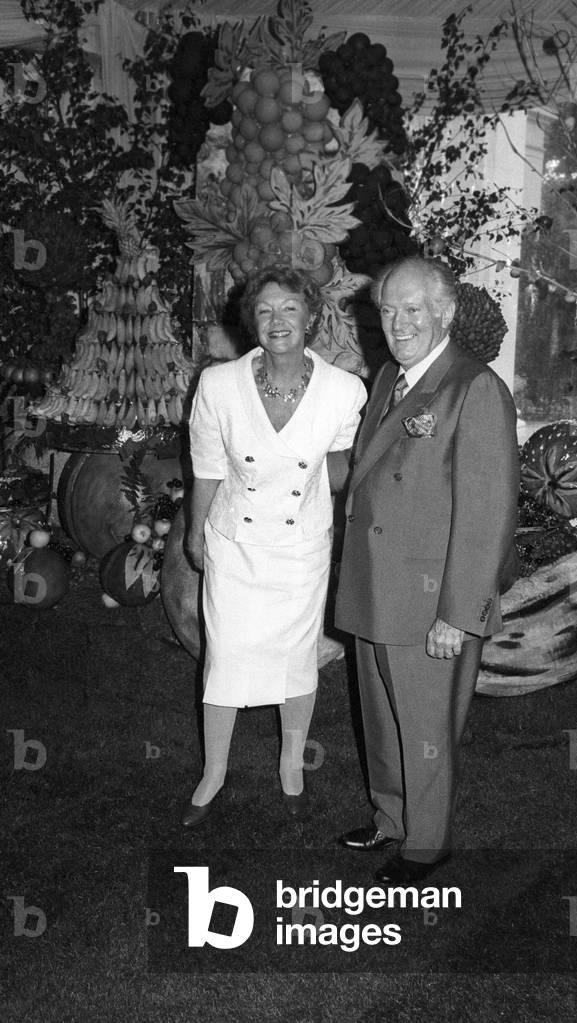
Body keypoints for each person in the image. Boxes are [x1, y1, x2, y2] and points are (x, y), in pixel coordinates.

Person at [335, 256, 519, 884]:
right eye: (388, 309)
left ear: (445, 312)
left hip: (429, 597)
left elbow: (486, 512)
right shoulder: (390, 376)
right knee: (381, 717)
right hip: (374, 587)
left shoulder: (475, 386)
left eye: (414, 309)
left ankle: (427, 843)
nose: (399, 321)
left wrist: (457, 613)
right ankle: (390, 819)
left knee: (426, 726)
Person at [182, 265, 367, 827]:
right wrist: (194, 531)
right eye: (265, 310)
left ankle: (292, 761)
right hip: (236, 542)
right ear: (252, 322)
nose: (278, 319)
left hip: (300, 546)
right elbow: (208, 468)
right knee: (226, 658)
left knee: (295, 659)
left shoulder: (345, 390)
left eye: (290, 307)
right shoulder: (217, 386)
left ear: (311, 316)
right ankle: (214, 771)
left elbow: (339, 469)